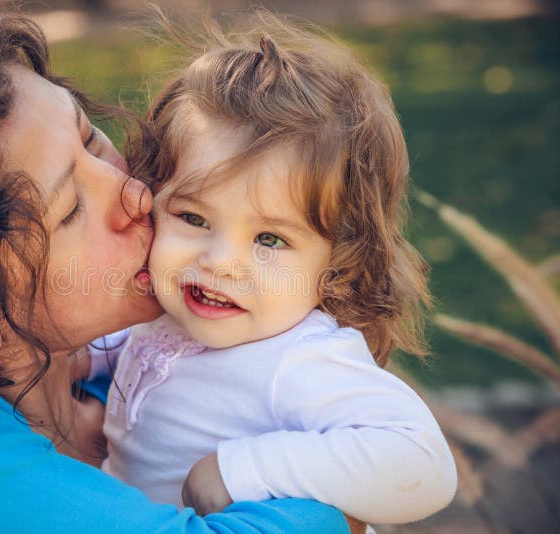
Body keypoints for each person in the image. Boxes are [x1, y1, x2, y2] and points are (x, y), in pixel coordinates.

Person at [0, 15, 350, 532]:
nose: (138, 195)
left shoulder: (119, 367)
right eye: (69, 210)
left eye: (91, 138)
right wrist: (334, 486)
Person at [96, 12, 458, 528]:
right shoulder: (169, 312)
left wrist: (243, 468)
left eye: (270, 239)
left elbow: (425, 463)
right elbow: (134, 356)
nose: (220, 261)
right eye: (193, 217)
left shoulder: (297, 359)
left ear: (336, 260)